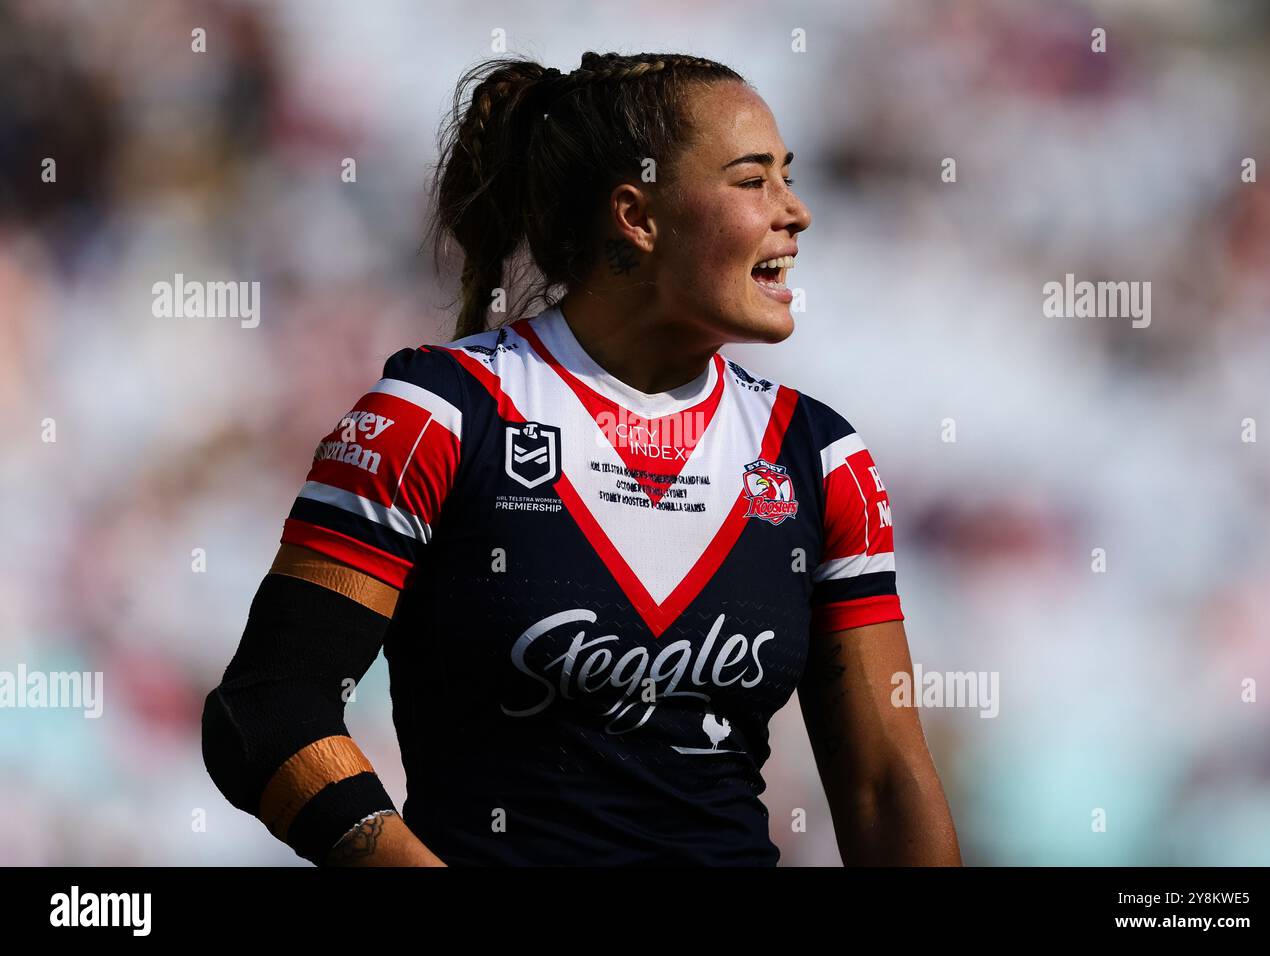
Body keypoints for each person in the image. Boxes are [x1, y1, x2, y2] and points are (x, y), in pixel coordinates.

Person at [202, 51, 962, 867]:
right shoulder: (437, 418)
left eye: (788, 177)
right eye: (753, 181)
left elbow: (884, 785)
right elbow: (268, 712)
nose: (797, 212)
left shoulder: (818, 455)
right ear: (636, 216)